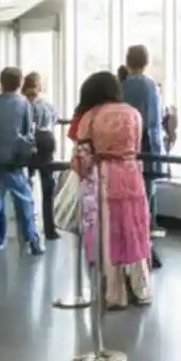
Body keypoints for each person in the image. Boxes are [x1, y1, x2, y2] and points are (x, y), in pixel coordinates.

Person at [72, 72, 153, 308]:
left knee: (109, 236)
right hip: (132, 176)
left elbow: (82, 156)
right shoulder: (133, 113)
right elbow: (137, 148)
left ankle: (116, 294)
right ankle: (142, 288)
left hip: (104, 178)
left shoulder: (91, 116)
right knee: (136, 232)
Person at [0, 67, 41, 256]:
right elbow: (27, 133)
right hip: (11, 158)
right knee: (24, 200)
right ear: (20, 83)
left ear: (1, 83)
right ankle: (32, 240)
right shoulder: (23, 104)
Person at [119, 46, 166, 239]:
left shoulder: (122, 86)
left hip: (126, 146)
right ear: (146, 62)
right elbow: (155, 119)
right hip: (148, 146)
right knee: (147, 190)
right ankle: (146, 230)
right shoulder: (151, 86)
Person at [23, 72, 60, 241]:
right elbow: (56, 118)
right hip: (47, 143)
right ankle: (50, 229)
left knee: (26, 187)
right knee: (48, 188)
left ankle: (28, 228)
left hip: (30, 145)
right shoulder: (46, 104)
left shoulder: (22, 104)